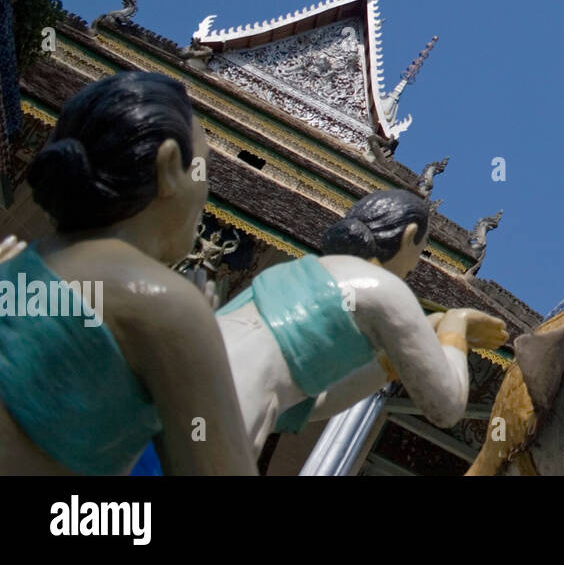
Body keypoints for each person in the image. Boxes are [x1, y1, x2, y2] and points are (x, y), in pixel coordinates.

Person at [0, 72, 256, 474]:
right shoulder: (164, 303)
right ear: (170, 165)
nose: (206, 197)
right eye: (203, 171)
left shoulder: (13, 264)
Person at [216, 188, 508, 451]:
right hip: (233, 407)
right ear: (409, 237)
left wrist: (389, 364)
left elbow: (311, 404)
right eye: (418, 255)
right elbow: (447, 406)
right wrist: (456, 326)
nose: (414, 268)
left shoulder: (290, 273)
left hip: (191, 368)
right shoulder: (383, 286)